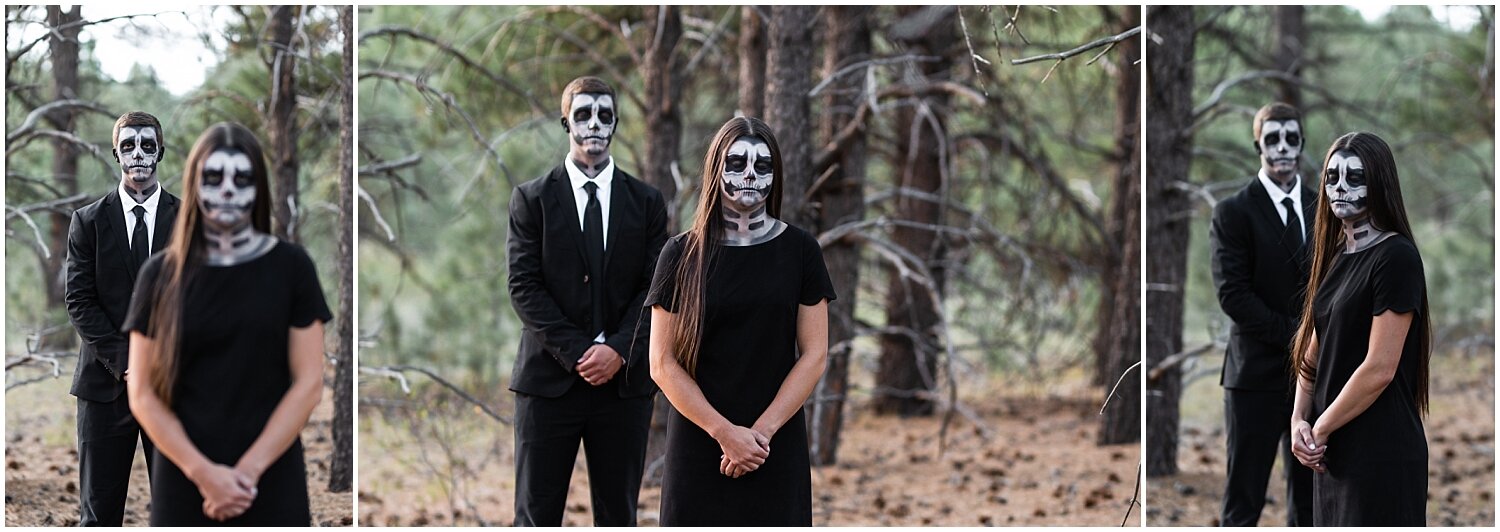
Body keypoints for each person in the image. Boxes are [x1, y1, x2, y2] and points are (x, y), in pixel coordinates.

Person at [123, 122, 329, 525]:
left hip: (271, 476)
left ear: (259, 187)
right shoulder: (159, 275)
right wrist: (205, 475)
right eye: (214, 177)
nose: (228, 189)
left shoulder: (292, 268)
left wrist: (246, 473)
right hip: (184, 478)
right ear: (195, 184)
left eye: (242, 178)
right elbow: (142, 392)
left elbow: (309, 385)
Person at [646, 116, 834, 526]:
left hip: (775, 443)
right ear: (717, 170)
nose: (750, 174)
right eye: (736, 163)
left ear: (775, 174)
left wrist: (760, 435)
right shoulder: (680, 254)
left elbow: (815, 354)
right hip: (699, 443)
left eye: (762, 165)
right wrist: (725, 433)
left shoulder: (801, 251)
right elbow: (661, 363)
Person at [506, 75, 668, 526]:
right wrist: (580, 352)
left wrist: (617, 349)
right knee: (536, 516)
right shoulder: (531, 199)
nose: (594, 124)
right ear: (566, 122)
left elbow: (656, 288)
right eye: (583, 114)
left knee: (618, 516)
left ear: (615, 123)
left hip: (623, 387)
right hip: (547, 383)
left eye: (604, 115)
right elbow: (523, 285)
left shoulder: (648, 202)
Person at [1289, 131, 1430, 526]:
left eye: (1354, 178)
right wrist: (1299, 419)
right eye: (1332, 178)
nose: (1340, 188)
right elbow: (1313, 353)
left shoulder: (1396, 257)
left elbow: (1380, 368)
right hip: (1334, 452)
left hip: (1380, 451)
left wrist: (1319, 427)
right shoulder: (1337, 257)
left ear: (1380, 183)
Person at [65, 111, 181, 526]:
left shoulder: (190, 222)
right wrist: (130, 363)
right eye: (128, 145)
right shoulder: (88, 222)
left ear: (160, 152)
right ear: (116, 153)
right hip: (103, 386)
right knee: (98, 513)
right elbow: (79, 301)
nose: (138, 154)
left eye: (147, 145)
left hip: (172, 388)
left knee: (180, 512)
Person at [1208, 102, 1314, 526]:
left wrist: (1319, 347)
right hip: (1254, 376)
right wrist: (1298, 336)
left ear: (1302, 144)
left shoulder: (1323, 204)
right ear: (1259, 145)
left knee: (1310, 499)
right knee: (1244, 497)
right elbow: (1233, 294)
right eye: (1273, 138)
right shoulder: (1233, 212)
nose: (1283, 147)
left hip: (1314, 374)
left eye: (1291, 138)